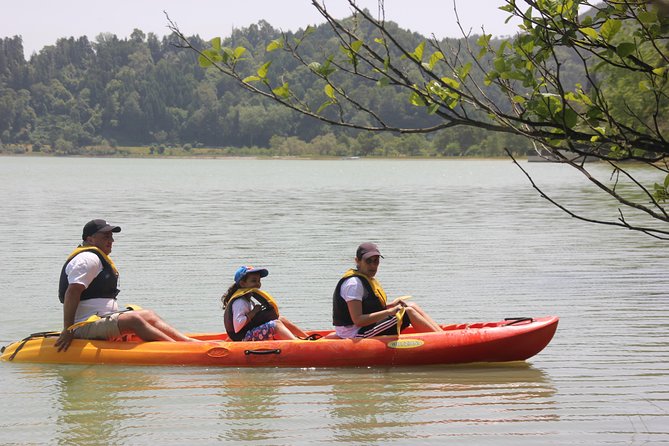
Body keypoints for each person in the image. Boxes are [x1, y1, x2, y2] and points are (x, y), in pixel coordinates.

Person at [55, 219, 196, 352]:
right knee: (132, 319)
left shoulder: (96, 257)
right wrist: (68, 330)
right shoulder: (87, 259)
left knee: (148, 315)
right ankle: (178, 349)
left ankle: (188, 342)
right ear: (90, 239)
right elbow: (72, 293)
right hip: (83, 325)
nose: (111, 240)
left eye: (111, 236)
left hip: (101, 319)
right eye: (105, 236)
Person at [332, 242, 443, 338]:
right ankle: (443, 341)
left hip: (363, 328)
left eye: (376, 261)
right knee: (407, 313)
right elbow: (358, 320)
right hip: (354, 333)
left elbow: (368, 309)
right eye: (368, 261)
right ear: (357, 261)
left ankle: (442, 335)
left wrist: (391, 306)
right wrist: (389, 312)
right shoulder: (354, 284)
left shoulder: (365, 279)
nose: (373, 265)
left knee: (411, 305)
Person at [221, 265, 310, 341]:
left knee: (280, 318)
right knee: (276, 324)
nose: (258, 284)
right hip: (243, 338)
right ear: (242, 284)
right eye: (253, 281)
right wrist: (254, 312)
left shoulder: (247, 300)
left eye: (259, 281)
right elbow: (238, 326)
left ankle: (307, 338)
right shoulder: (240, 302)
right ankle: (298, 344)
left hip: (247, 333)